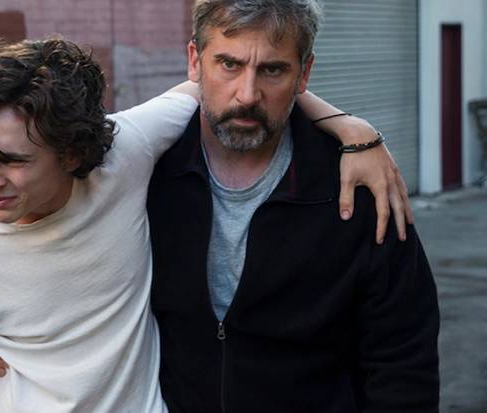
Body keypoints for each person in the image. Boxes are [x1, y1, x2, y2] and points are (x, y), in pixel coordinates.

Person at [0, 37, 413, 412]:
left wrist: (352, 128)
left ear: (72, 153)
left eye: (13, 160)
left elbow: (224, 87)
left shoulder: (126, 153)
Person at [145, 0, 440, 411]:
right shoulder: (148, 172)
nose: (247, 95)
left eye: (273, 70)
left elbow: (403, 359)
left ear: (304, 73)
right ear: (195, 61)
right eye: (229, 64)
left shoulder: (358, 185)